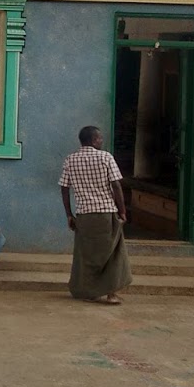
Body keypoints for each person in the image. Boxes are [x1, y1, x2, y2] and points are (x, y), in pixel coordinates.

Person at [59, 125, 133, 305]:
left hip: (84, 214)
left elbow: (64, 188)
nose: (101, 141)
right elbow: (116, 186)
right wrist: (122, 210)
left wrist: (69, 214)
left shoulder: (71, 159)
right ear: (93, 140)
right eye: (99, 138)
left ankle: (87, 291)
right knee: (113, 253)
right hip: (106, 213)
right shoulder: (106, 157)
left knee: (86, 255)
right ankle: (111, 294)